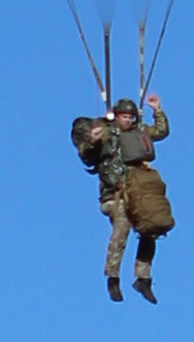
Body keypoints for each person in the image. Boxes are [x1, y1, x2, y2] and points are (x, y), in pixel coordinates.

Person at [73, 92, 174, 302]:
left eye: (131, 117)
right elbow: (85, 153)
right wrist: (92, 140)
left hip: (138, 190)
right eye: (124, 117)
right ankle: (112, 277)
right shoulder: (107, 134)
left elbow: (161, 131)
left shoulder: (140, 131)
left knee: (150, 225)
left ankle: (143, 277)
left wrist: (157, 110)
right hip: (116, 194)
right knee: (123, 225)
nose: (128, 120)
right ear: (117, 117)